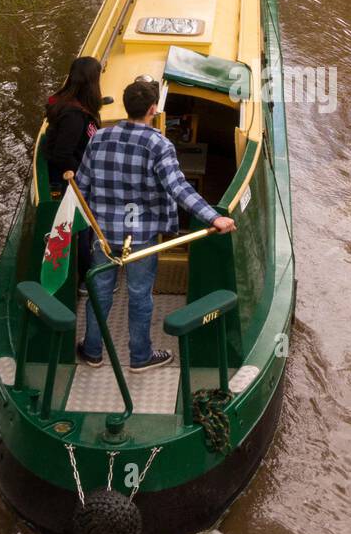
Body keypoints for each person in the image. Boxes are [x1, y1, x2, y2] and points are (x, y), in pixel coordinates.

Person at [74, 77, 237, 372]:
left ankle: (92, 351)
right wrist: (214, 217)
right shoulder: (159, 145)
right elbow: (179, 189)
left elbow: (81, 188)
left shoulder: (98, 138)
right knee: (139, 295)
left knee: (99, 293)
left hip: (102, 234)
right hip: (141, 237)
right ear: (152, 109)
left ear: (125, 106)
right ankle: (140, 357)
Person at [45, 57, 102, 196]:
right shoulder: (73, 118)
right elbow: (62, 156)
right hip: (71, 177)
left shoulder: (68, 101)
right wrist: (89, 176)